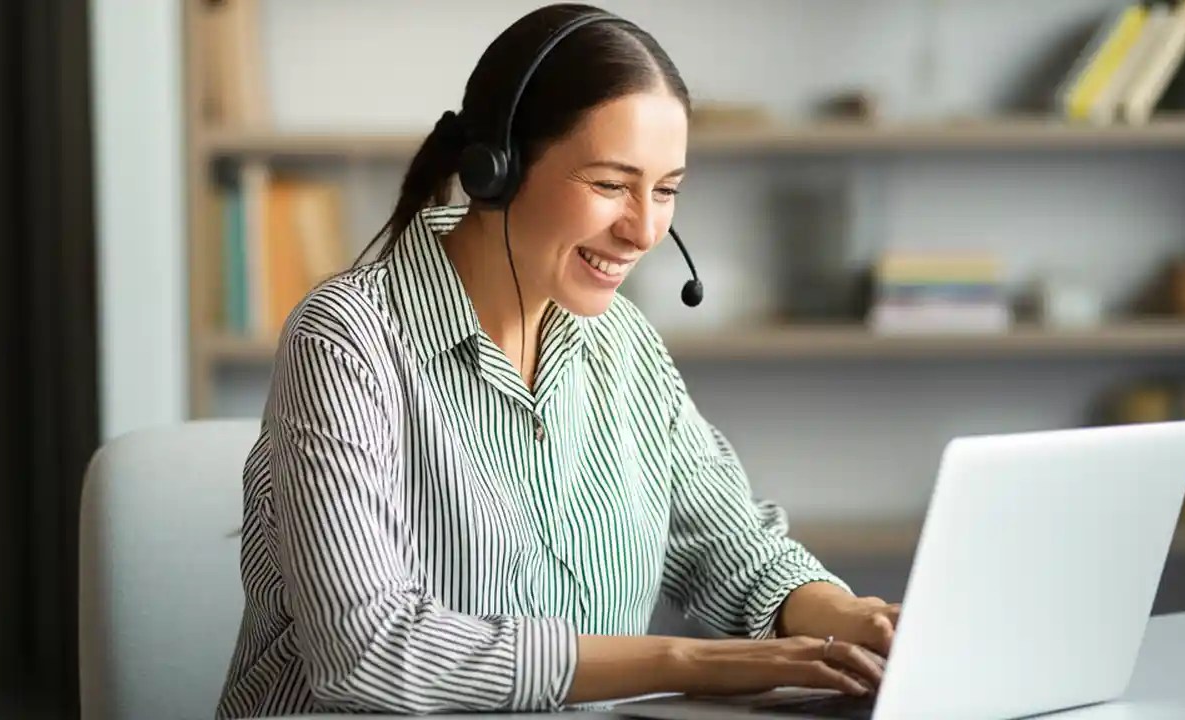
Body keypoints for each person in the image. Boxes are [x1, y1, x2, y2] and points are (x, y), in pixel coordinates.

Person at [216, 4, 900, 718]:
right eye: (610, 185)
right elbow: (370, 652)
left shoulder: (623, 344)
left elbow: (735, 550)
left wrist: (852, 619)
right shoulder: (347, 340)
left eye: (666, 190)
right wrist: (691, 661)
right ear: (497, 172)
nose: (645, 230)